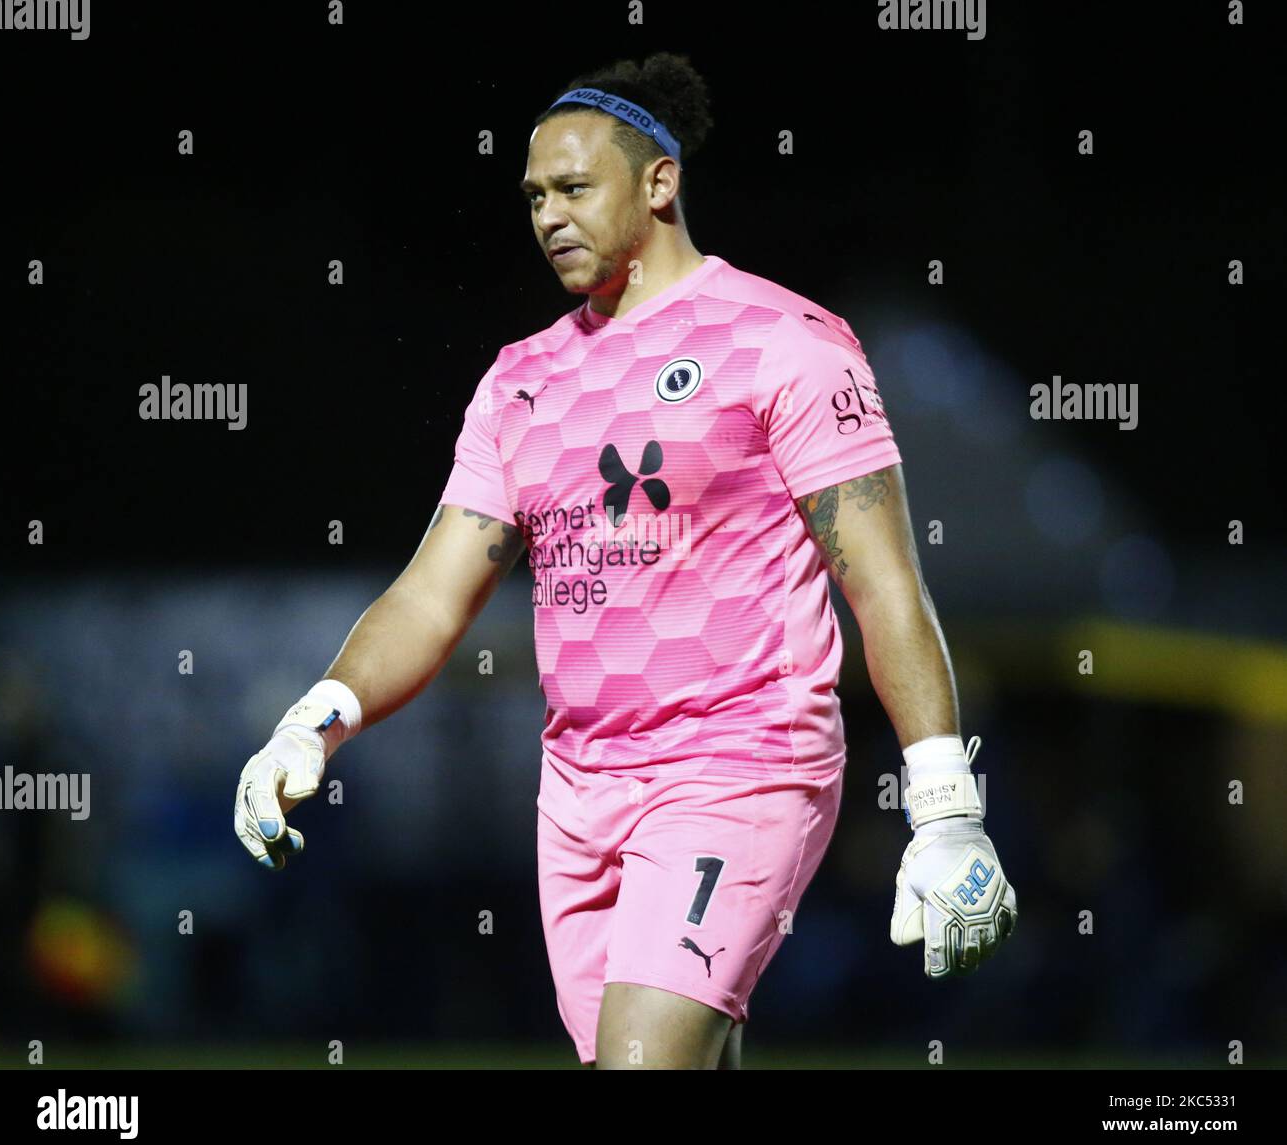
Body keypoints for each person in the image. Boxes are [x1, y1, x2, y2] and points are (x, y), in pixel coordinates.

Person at [233, 52, 1016, 1070]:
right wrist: (318, 716)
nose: (547, 215)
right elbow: (431, 594)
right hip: (579, 787)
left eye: (572, 188)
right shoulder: (520, 382)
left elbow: (883, 583)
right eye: (531, 197)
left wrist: (945, 808)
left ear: (658, 182)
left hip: (740, 764)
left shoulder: (785, 342)